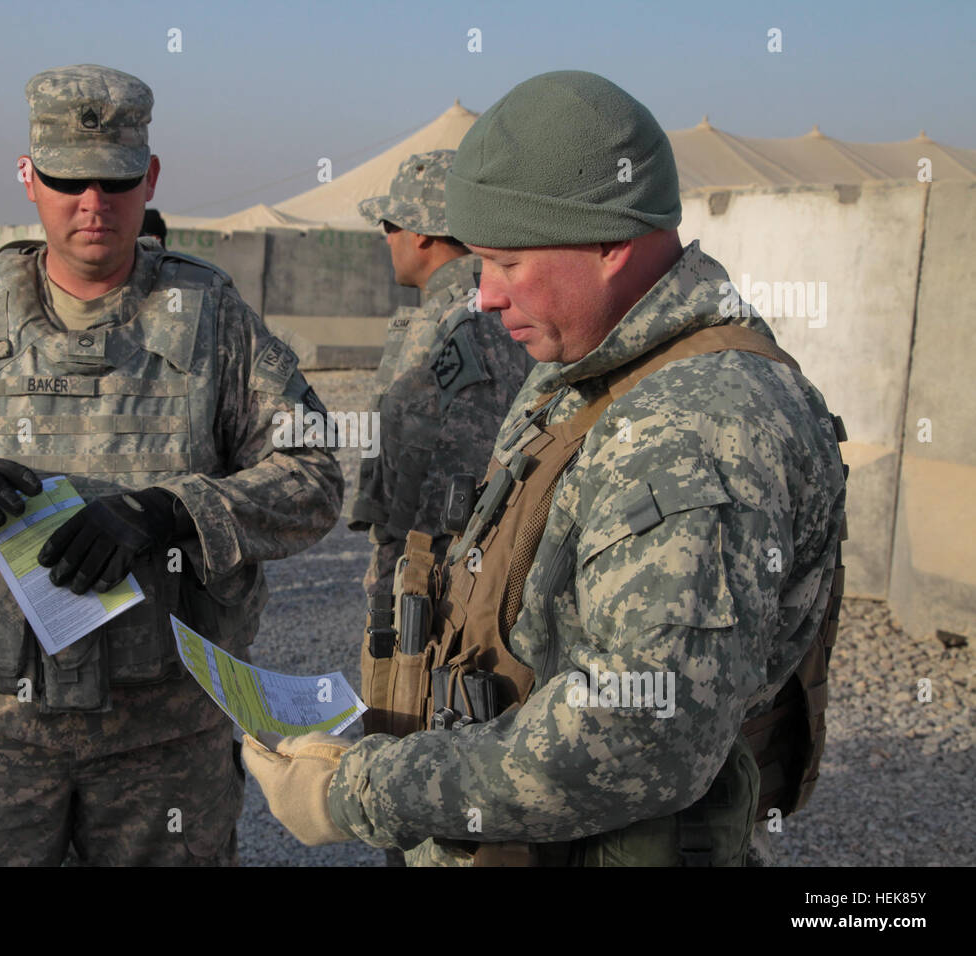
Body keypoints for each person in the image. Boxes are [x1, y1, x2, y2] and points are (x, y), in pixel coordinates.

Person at [244, 71, 847, 867]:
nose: (486, 296)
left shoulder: (695, 424)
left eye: (506, 262)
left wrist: (359, 791)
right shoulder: (594, 358)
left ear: (609, 244)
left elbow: (637, 736)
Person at [0, 64, 343, 866]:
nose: (92, 204)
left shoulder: (214, 318)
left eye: (115, 181)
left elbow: (313, 478)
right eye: (67, 179)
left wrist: (167, 512)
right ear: (28, 177)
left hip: (165, 734)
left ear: (150, 179)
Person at [348, 150, 528, 868]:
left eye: (389, 226)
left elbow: (457, 474)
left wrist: (412, 599)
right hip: (443, 585)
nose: (386, 241)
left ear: (420, 232)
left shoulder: (458, 321)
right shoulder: (471, 309)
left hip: (428, 598)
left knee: (414, 777)